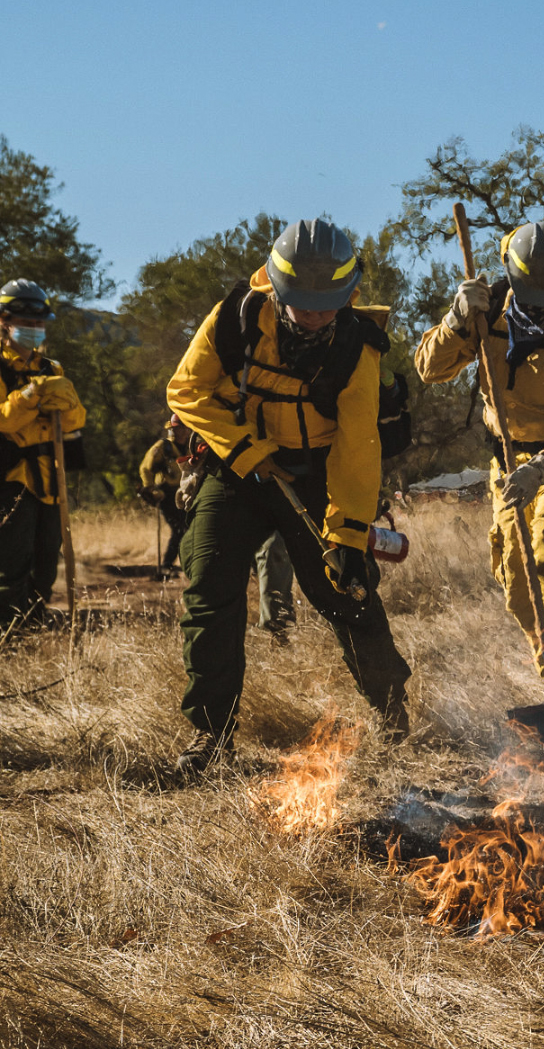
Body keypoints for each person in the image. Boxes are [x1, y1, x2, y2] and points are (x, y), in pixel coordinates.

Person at [165, 219, 412, 775]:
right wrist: (248, 452)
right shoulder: (236, 318)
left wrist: (349, 533)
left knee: (346, 587)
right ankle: (211, 736)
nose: (317, 314)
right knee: (210, 586)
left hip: (319, 474)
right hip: (237, 468)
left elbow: (357, 447)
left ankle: (393, 710)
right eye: (304, 303)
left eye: (330, 303)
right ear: (277, 288)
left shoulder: (359, 347)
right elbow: (185, 390)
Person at [414, 221, 544, 701]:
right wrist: (455, 322)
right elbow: (430, 370)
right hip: (508, 458)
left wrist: (542, 467)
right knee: (515, 574)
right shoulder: (484, 316)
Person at [0, 279, 85, 629]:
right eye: (27, 323)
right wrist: (32, 394)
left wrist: (68, 402)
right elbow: (4, 420)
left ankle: (34, 624)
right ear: (4, 322)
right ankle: (9, 635)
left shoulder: (53, 369)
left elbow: (74, 422)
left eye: (39, 324)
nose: (35, 329)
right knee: (11, 563)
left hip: (52, 480)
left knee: (47, 561)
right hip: (11, 480)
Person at [137, 415, 191, 574]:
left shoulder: (192, 445)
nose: (177, 431)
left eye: (180, 427)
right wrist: (151, 488)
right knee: (179, 529)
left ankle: (183, 564)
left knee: (189, 527)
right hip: (166, 494)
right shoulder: (162, 447)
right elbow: (145, 468)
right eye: (174, 428)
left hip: (186, 493)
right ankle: (167, 566)